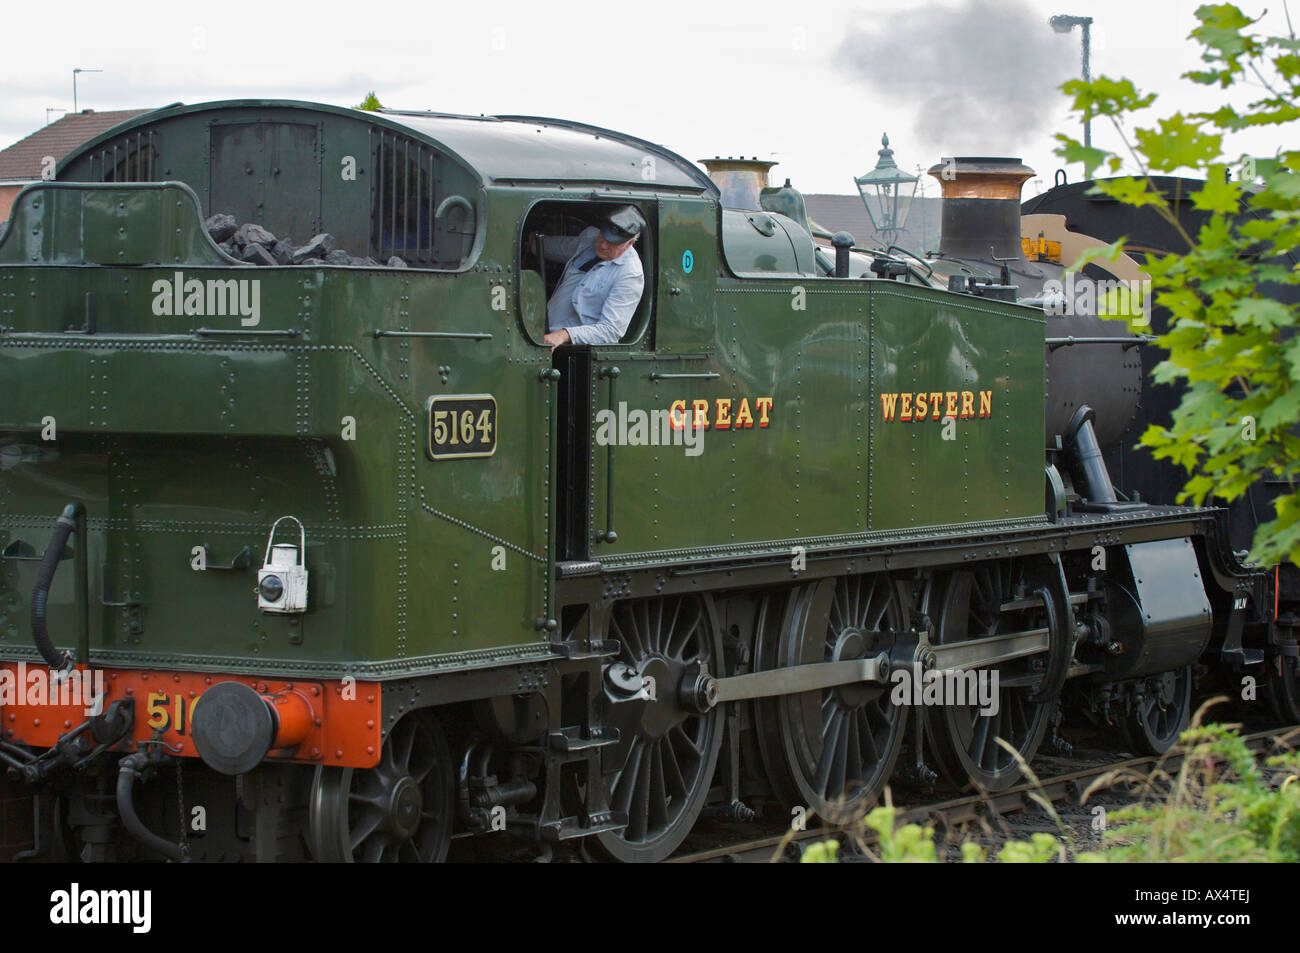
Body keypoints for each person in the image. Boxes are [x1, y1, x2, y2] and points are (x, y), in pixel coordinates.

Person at [537, 206, 646, 349]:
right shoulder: (590, 238)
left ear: (629, 244)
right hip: (540, 328)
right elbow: (562, 248)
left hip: (568, 349)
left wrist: (564, 335)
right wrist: (533, 243)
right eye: (602, 236)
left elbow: (610, 331)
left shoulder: (630, 274)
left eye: (612, 243)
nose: (603, 245)